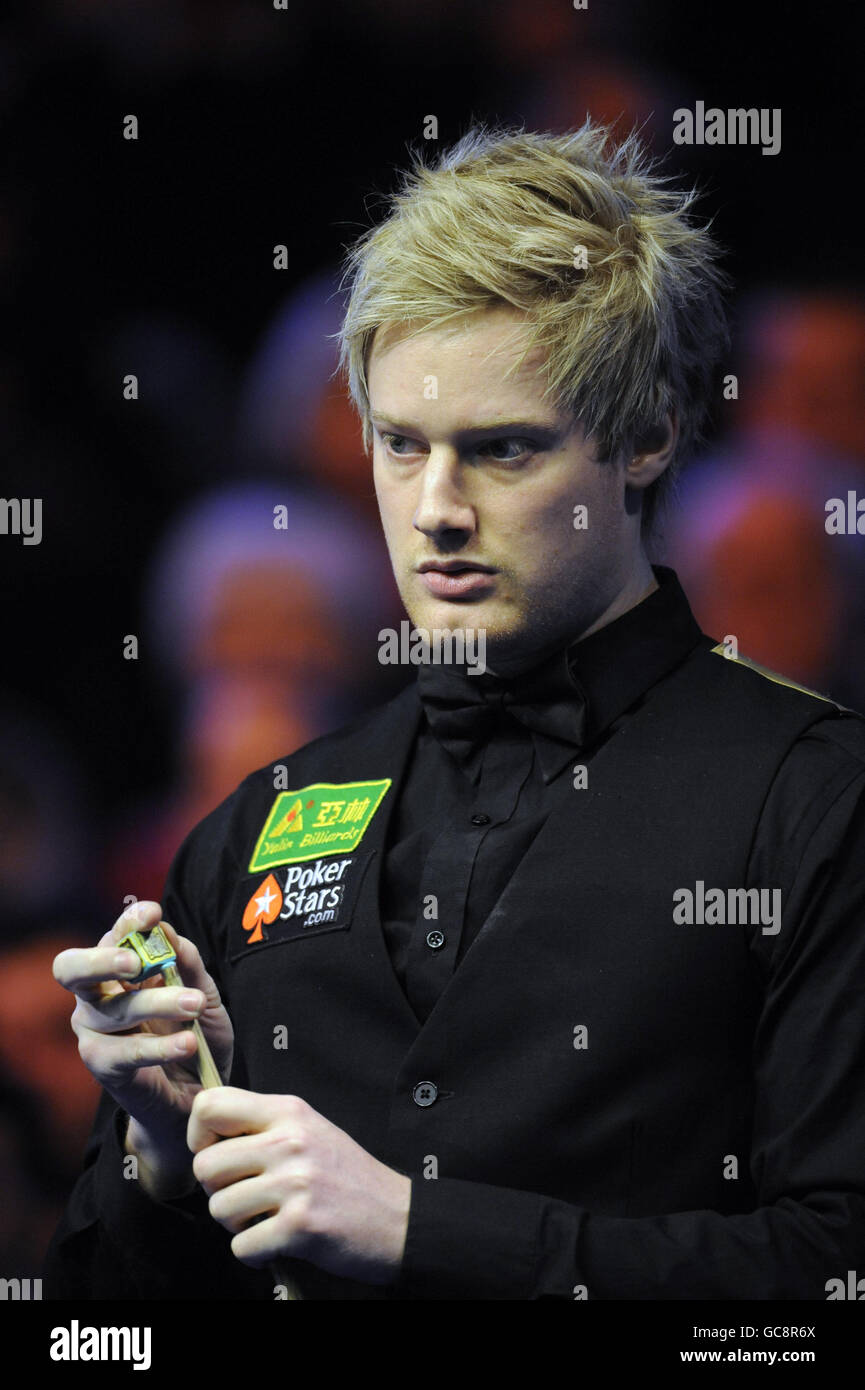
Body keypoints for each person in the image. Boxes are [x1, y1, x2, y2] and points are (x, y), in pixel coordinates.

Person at [45, 119, 865, 1300]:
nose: (433, 508)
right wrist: (166, 1163)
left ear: (646, 438)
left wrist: (424, 1231)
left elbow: (833, 1281)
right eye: (399, 444)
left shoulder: (818, 804)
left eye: (501, 450)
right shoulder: (258, 823)